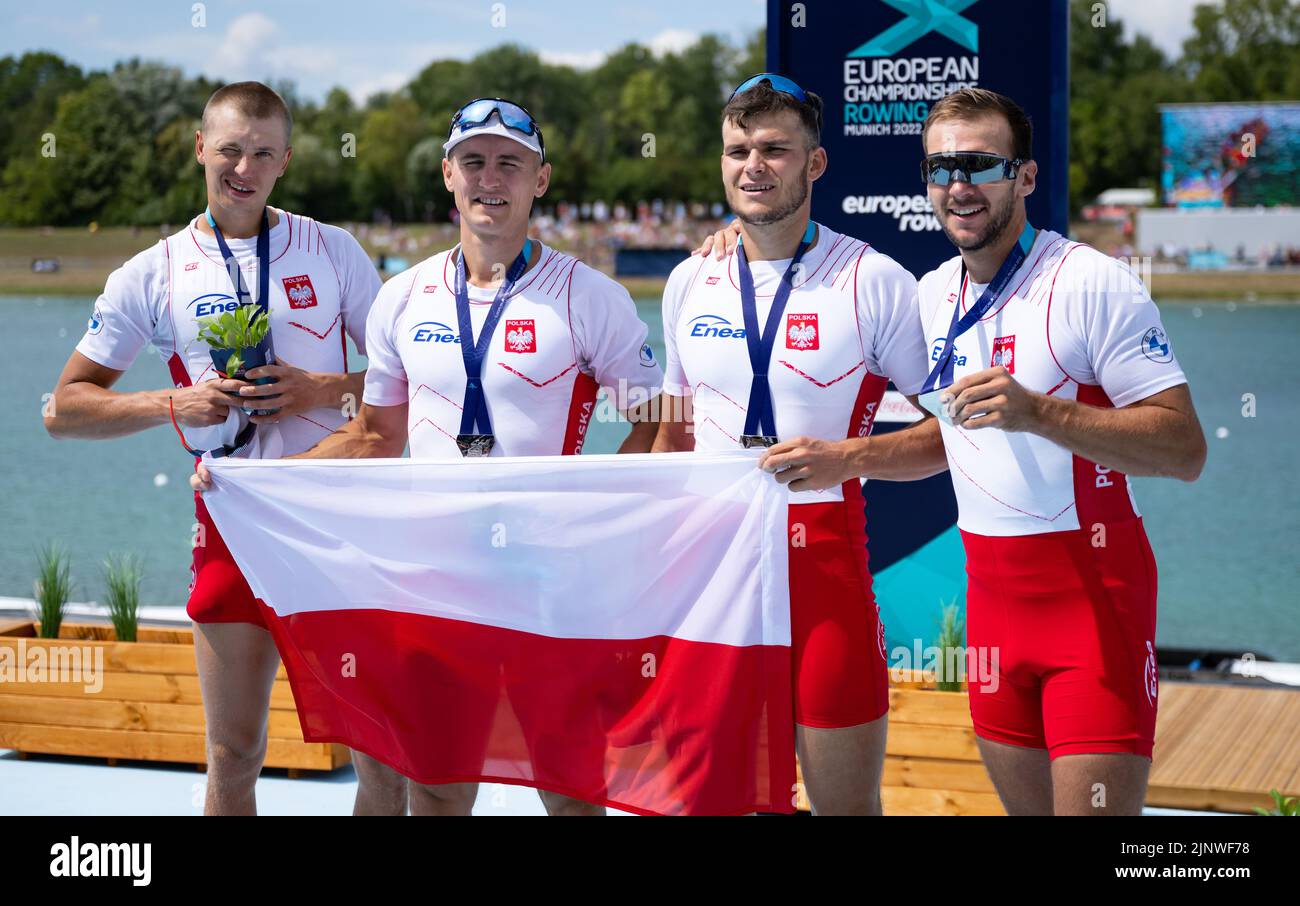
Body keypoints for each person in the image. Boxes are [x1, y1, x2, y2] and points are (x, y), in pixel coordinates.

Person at [742, 87, 1207, 815]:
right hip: (991, 605)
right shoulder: (928, 297)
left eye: (981, 164)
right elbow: (943, 439)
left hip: (1092, 601)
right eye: (940, 168)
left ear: (1023, 176)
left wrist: (1039, 411)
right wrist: (846, 458)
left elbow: (1184, 449)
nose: (958, 185)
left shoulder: (1089, 282)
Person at [195, 97, 664, 815]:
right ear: (448, 175)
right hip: (438, 579)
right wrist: (257, 482)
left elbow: (663, 420)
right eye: (473, 162)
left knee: (568, 792)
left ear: (541, 180)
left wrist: (593, 521)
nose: (490, 178)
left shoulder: (590, 297)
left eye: (511, 163)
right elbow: (377, 434)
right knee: (437, 792)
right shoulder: (403, 297)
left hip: (549, 579)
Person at [45, 81, 405, 816]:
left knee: (381, 756)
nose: (244, 166)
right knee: (234, 755)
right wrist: (171, 403)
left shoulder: (333, 251)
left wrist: (320, 390)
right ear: (200, 148)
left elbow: (408, 386)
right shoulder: (154, 270)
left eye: (263, 153)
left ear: (286, 162)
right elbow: (64, 408)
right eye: (231, 149)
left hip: (337, 519)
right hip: (231, 522)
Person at [654, 75, 943, 815]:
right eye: (738, 150)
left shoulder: (873, 280)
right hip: (711, 577)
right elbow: (674, 434)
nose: (754, 165)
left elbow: (950, 438)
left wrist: (848, 458)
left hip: (824, 575)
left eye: (775, 149)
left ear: (814, 165)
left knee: (846, 807)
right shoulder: (689, 280)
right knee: (710, 801)